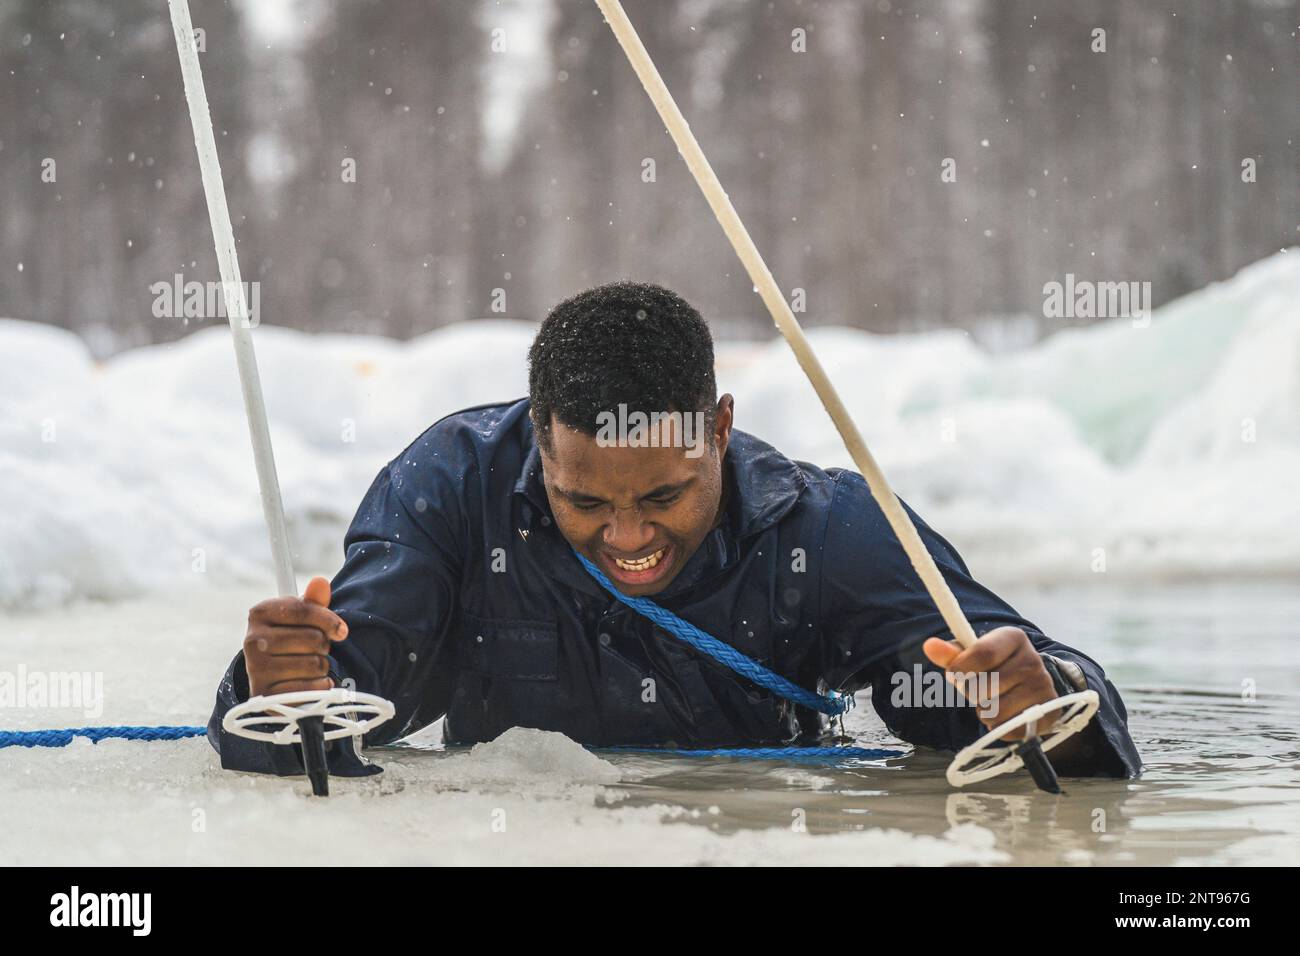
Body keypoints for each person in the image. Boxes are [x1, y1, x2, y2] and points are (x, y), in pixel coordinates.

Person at [208, 281, 1141, 779]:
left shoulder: (828, 527)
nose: (625, 536)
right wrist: (280, 688)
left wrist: (1033, 705)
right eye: (584, 503)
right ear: (541, 435)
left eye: (662, 497)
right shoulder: (450, 492)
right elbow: (329, 705)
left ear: (721, 430)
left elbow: (1058, 707)